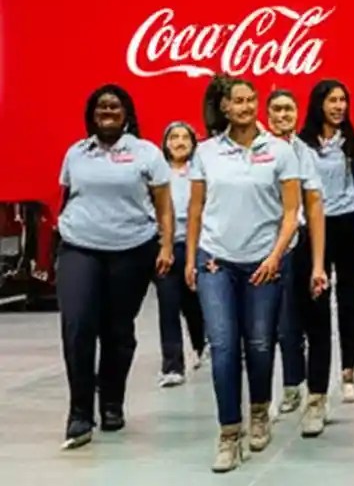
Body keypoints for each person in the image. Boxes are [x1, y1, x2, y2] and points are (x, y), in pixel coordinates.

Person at [186, 76, 311, 472]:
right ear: (224, 107)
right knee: (223, 346)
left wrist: (275, 256)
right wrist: (191, 258)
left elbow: (291, 212)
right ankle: (228, 432)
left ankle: (259, 411)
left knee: (259, 343)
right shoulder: (206, 152)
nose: (245, 107)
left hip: (264, 262)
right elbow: (195, 208)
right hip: (216, 261)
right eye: (237, 101)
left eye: (250, 99)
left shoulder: (279, 151)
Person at [57, 85, 173, 449]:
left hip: (132, 249)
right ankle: (79, 413)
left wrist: (166, 246)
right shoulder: (76, 153)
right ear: (91, 115)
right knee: (78, 326)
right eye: (101, 107)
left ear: (126, 114)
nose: (107, 112)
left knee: (117, 330)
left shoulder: (146, 152)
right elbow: (66, 196)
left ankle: (111, 402)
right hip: (78, 247)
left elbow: (164, 205)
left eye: (114, 107)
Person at [265, 89, 329, 436]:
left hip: (302, 243)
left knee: (316, 319)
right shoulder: (257, 150)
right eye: (276, 109)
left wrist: (318, 264)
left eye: (289, 109)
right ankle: (284, 389)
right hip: (263, 243)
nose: (283, 115)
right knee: (275, 325)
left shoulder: (304, 152)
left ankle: (317, 398)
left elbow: (315, 205)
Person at [299, 79, 354, 404]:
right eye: (332, 100)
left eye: (343, 100)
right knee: (317, 302)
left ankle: (348, 371)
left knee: (349, 300)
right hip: (314, 227)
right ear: (319, 104)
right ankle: (316, 383)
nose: (339, 106)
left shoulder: (352, 141)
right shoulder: (302, 144)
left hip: (348, 223)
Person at [155, 121, 206, 387]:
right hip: (167, 247)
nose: (179, 142)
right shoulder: (158, 173)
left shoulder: (200, 171)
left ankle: (203, 347)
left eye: (185, 137)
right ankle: (172, 366)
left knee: (195, 303)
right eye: (173, 137)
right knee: (168, 305)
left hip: (198, 245)